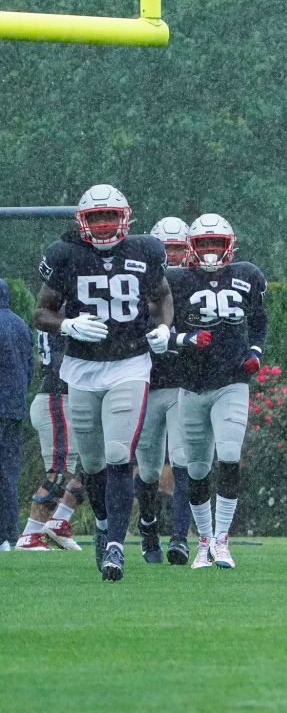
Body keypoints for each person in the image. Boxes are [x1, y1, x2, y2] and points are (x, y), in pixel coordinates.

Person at [32, 184, 174, 580]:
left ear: (125, 217)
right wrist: (67, 324)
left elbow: (162, 297)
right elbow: (41, 311)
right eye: (96, 217)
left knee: (117, 453)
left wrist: (164, 327)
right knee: (92, 462)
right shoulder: (65, 255)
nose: (104, 224)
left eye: (110, 215)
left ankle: (115, 546)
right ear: (82, 221)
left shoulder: (145, 251)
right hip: (82, 368)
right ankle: (101, 524)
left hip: (129, 364)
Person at [168, 213, 268, 570]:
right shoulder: (176, 280)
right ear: (191, 246)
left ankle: (222, 540)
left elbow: (259, 320)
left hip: (231, 382)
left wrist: (255, 352)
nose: (210, 250)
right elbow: (158, 332)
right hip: (191, 385)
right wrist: (186, 339)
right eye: (204, 243)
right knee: (196, 469)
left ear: (229, 246)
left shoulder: (247, 275)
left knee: (228, 455)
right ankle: (204, 541)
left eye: (216, 243)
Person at [133, 217, 208, 565]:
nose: (173, 257)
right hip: (148, 384)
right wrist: (179, 339)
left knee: (182, 461)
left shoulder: (198, 286)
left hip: (182, 385)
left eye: (178, 249)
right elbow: (140, 331)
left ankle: (180, 538)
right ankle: (148, 528)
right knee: (148, 469)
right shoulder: (139, 284)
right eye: (167, 249)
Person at [17, 324, 83, 551]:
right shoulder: (61, 316)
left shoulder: (54, 316)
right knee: (59, 473)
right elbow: (60, 361)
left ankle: (58, 522)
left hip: (64, 399)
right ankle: (30, 535)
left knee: (90, 472)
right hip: (56, 400)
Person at [0, 279, 34, 550]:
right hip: (14, 407)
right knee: (7, 473)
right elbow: (29, 367)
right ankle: (9, 535)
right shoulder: (21, 325)